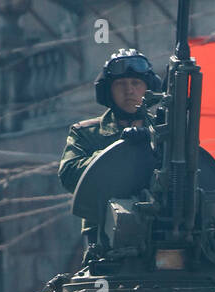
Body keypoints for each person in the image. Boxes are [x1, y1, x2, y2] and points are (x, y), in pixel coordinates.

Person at [58, 49, 163, 243]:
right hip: (104, 236)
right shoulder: (86, 133)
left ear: (148, 89)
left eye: (136, 83)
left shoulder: (165, 131)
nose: (129, 90)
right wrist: (119, 148)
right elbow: (69, 174)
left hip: (162, 232)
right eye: (120, 84)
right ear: (108, 91)